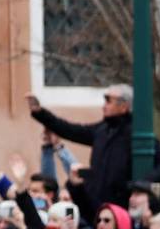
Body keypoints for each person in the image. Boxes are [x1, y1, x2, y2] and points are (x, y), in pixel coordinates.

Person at [26, 85, 130, 220]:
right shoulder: (102, 130)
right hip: (96, 206)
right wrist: (40, 113)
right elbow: (71, 130)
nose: (104, 106)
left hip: (120, 207)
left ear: (124, 106)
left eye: (108, 101)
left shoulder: (133, 134)